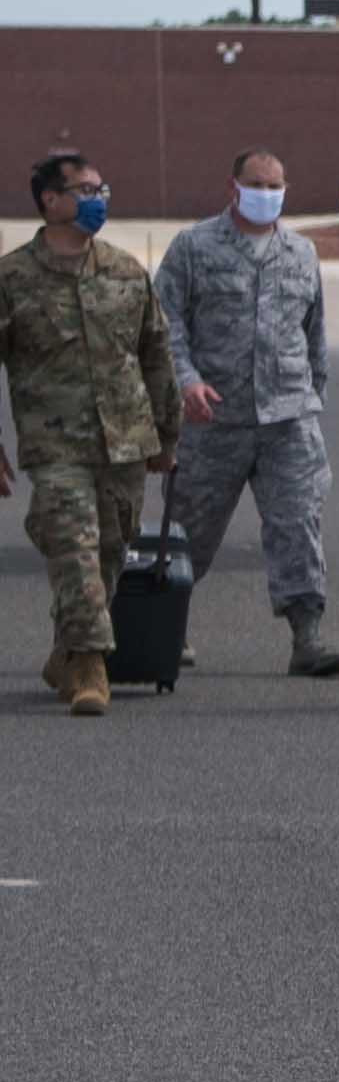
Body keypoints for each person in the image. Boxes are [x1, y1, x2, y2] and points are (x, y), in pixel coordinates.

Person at [154, 146, 339, 677]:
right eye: (256, 184)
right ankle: (164, 625)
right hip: (213, 419)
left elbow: (315, 334)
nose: (267, 194)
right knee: (190, 530)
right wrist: (185, 380)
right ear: (233, 187)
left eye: (275, 185)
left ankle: (307, 637)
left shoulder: (301, 252)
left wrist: (311, 398)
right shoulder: (194, 247)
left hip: (288, 420)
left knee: (298, 524)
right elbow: (163, 323)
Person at [0, 150, 175, 715]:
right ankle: (91, 668)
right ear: (50, 200)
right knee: (74, 547)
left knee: (108, 552)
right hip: (55, 446)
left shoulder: (126, 271)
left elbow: (155, 353)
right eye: (86, 190)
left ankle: (66, 650)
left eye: (103, 189)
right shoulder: (12, 278)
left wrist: (167, 436)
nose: (98, 199)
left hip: (125, 440)